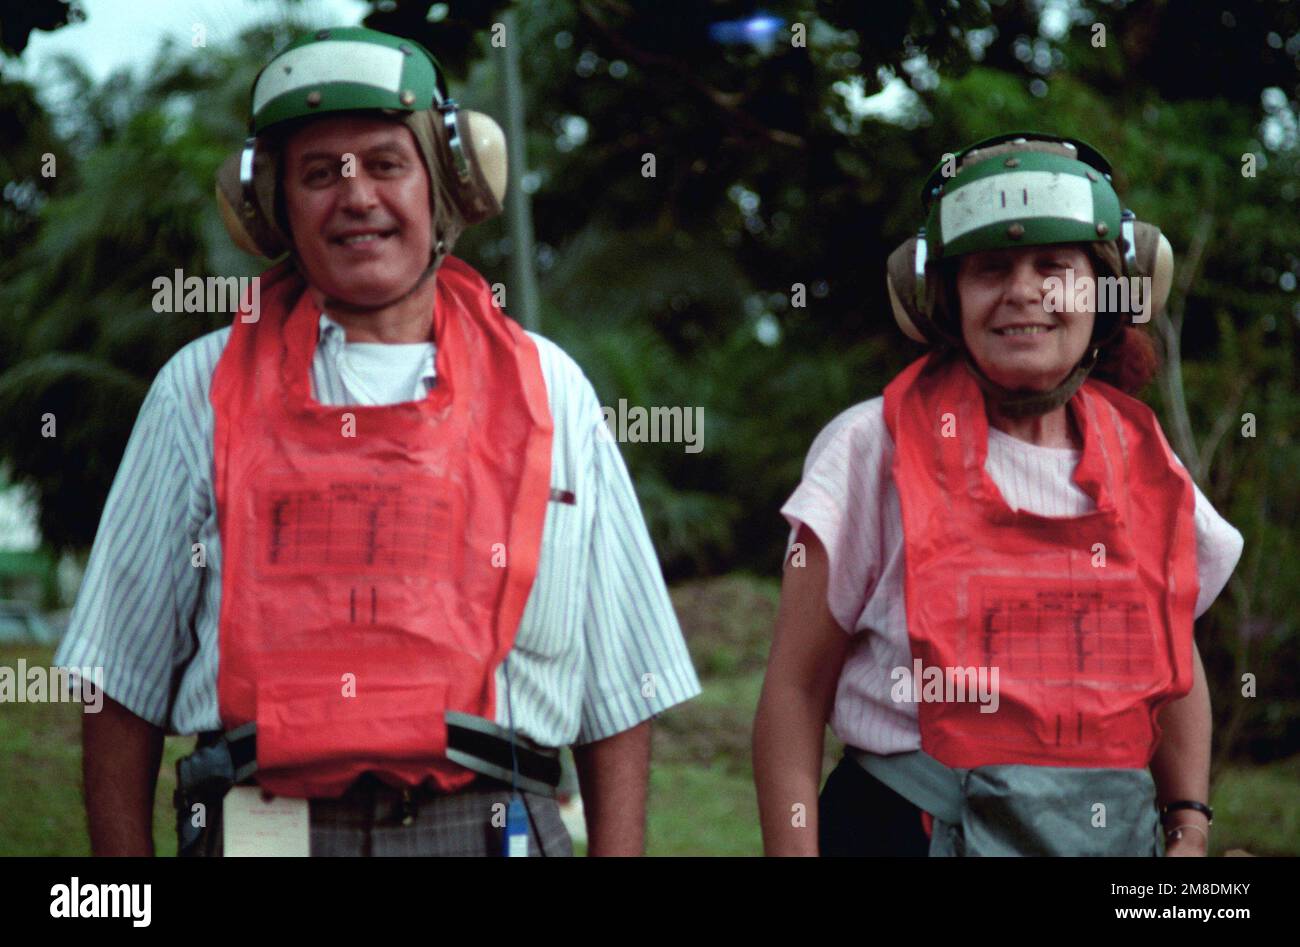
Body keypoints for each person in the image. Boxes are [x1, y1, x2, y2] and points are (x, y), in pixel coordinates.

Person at [54, 26, 700, 857]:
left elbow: (620, 691)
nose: (355, 196)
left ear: (450, 184)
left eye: (386, 164)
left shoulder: (551, 390)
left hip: (492, 826)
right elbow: (121, 682)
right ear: (274, 206)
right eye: (319, 173)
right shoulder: (196, 390)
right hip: (262, 831)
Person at [752, 133, 1244, 857]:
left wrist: (1190, 829)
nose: (1023, 292)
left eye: (1054, 265)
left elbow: (1175, 664)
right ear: (940, 295)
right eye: (990, 268)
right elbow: (794, 694)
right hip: (906, 832)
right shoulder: (871, 447)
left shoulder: (1148, 462)